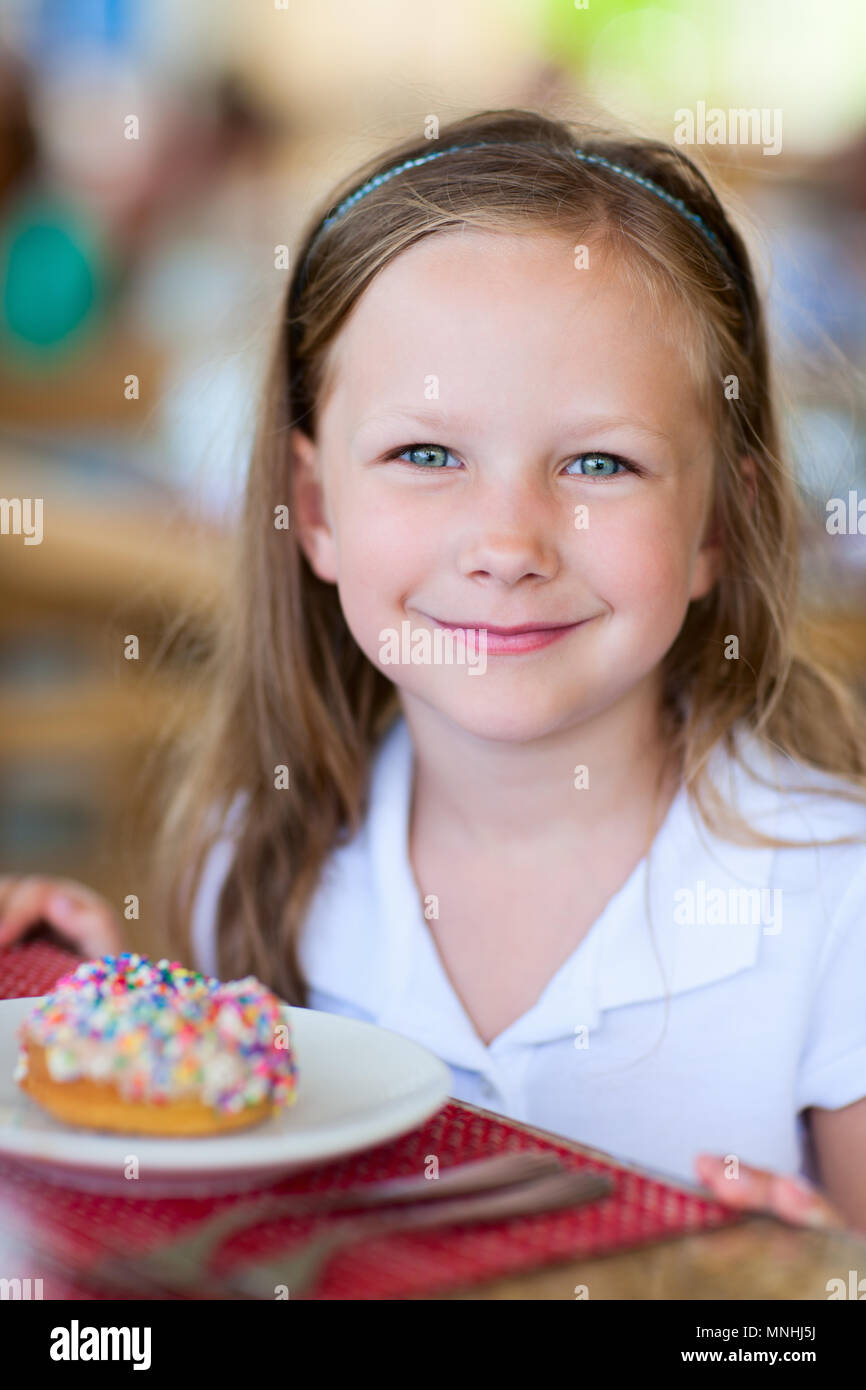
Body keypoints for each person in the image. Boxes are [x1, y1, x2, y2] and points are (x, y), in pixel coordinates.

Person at [2, 108, 865, 1235]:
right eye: (425, 454)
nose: (506, 542)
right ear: (314, 508)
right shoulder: (257, 857)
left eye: (599, 461)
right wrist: (85, 999)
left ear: (718, 525)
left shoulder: (833, 904)